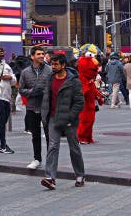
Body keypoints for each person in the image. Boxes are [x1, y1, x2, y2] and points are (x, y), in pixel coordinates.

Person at [40, 53, 86, 190]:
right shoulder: (50, 79)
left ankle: (80, 175)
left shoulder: (74, 81)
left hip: (69, 120)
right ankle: (50, 178)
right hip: (53, 118)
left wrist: (70, 117)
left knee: (74, 147)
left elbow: (79, 102)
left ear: (63, 65)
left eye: (56, 64)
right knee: (53, 147)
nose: (53, 67)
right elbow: (46, 98)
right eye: (52, 64)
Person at [18, 46, 52, 169]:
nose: (42, 56)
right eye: (38, 54)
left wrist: (46, 92)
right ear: (32, 56)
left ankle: (50, 159)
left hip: (47, 107)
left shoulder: (49, 70)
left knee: (50, 135)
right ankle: (37, 159)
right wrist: (33, 91)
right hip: (32, 107)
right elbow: (21, 90)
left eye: (43, 54)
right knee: (35, 135)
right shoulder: (25, 72)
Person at [76, 51, 103, 144]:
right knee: (85, 120)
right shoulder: (81, 79)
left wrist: (99, 96)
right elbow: (84, 90)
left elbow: (93, 89)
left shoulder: (89, 80)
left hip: (90, 103)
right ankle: (81, 137)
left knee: (90, 121)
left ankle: (88, 137)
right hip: (84, 105)